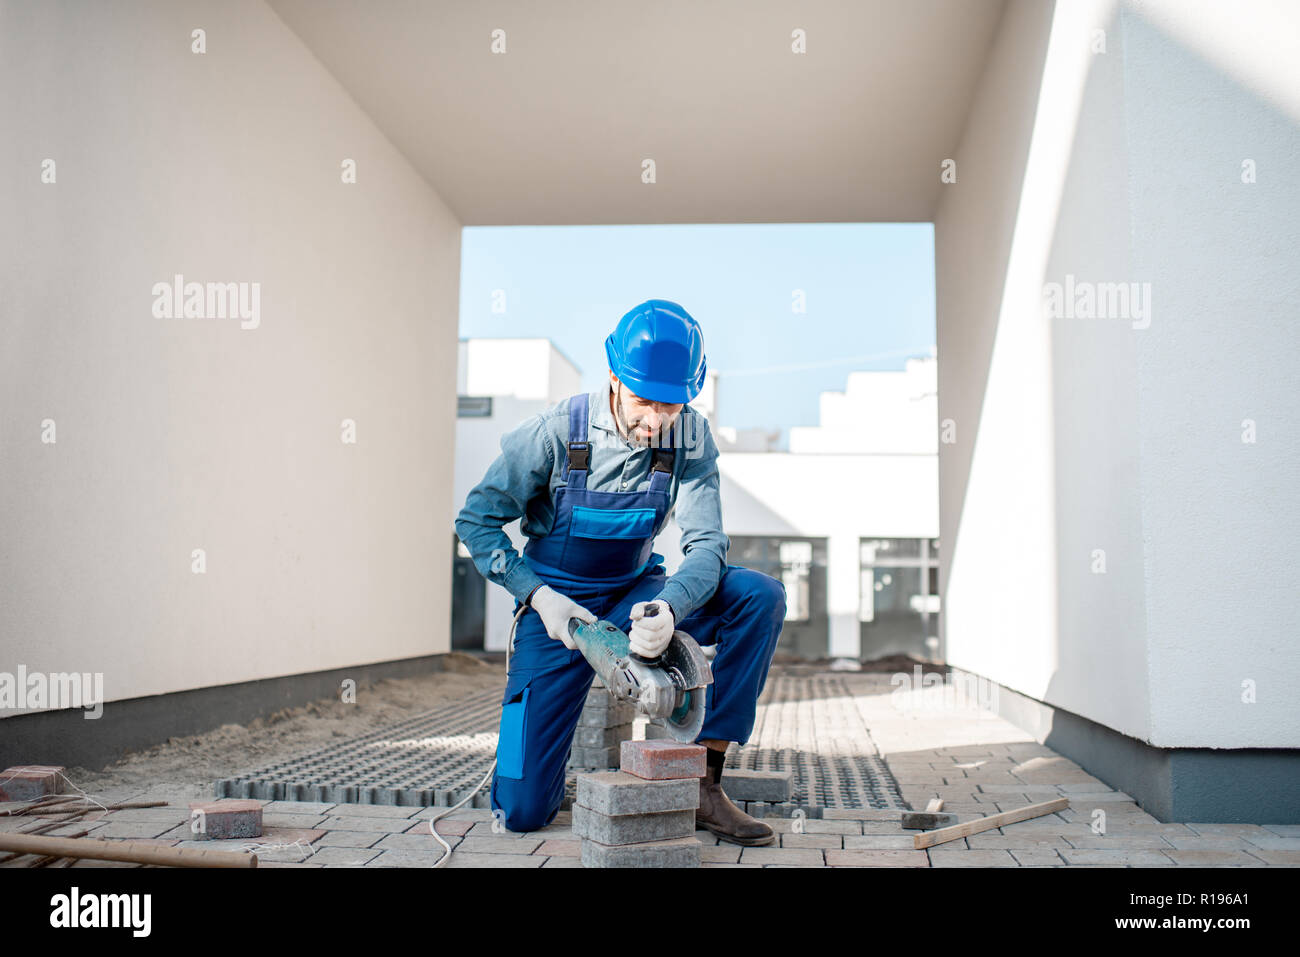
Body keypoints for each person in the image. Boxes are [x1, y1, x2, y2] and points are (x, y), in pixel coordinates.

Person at [454, 299, 786, 846]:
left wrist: (672, 606)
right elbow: (476, 523)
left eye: (672, 405)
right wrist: (536, 596)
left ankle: (706, 780)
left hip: (638, 593)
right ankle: (524, 777)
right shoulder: (553, 433)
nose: (656, 420)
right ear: (612, 376)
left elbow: (707, 544)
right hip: (558, 612)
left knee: (759, 595)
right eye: (643, 401)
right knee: (520, 811)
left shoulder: (690, 437)